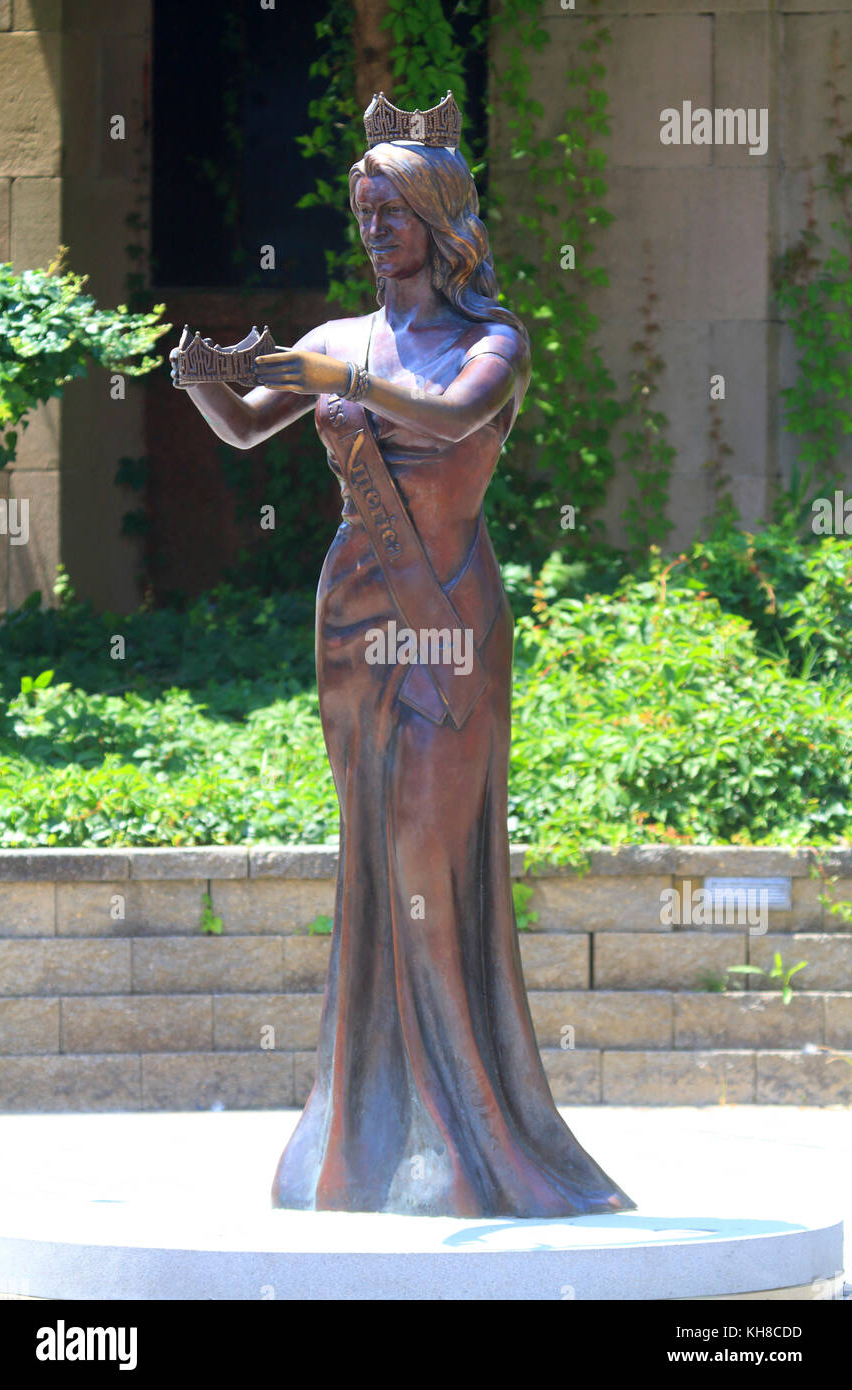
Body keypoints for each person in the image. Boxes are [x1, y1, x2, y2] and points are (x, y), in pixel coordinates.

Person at [172, 93, 634, 1219]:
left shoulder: (495, 340)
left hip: (447, 616)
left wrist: (330, 382)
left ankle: (473, 1132)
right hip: (353, 615)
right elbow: (248, 428)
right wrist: (205, 383)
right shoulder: (335, 340)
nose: (375, 229)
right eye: (361, 210)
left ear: (439, 217)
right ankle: (365, 1137)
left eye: (393, 211)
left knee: (428, 852)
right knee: (374, 861)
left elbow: (441, 420)